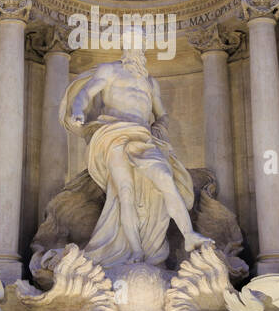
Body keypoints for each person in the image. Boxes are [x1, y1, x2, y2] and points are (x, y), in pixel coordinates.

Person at [61, 48, 212, 268]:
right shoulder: (110, 70)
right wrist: (78, 110)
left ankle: (188, 234)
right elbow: (86, 93)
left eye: (140, 46)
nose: (136, 51)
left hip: (143, 137)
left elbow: (162, 115)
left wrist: (160, 127)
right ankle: (136, 250)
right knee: (125, 192)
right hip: (113, 134)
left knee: (165, 178)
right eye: (132, 45)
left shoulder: (150, 82)